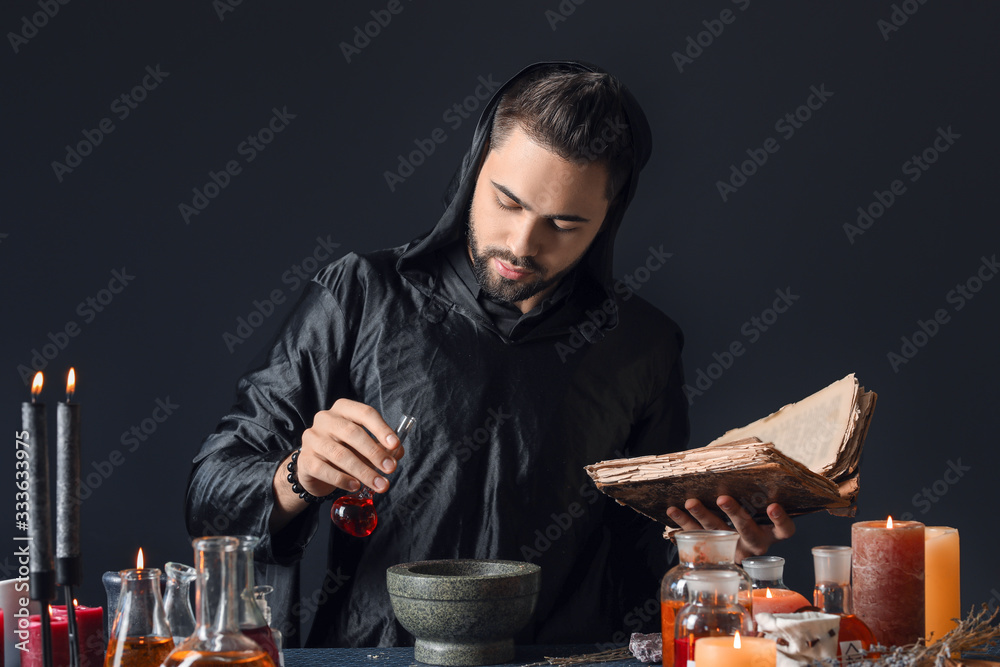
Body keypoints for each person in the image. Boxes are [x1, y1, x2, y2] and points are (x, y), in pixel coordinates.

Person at [185, 61, 795, 648]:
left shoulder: (643, 345)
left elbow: (644, 569)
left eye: (564, 223)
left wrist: (713, 561)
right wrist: (298, 474)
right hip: (375, 656)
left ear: (608, 219)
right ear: (476, 166)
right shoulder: (360, 296)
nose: (522, 245)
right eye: (508, 201)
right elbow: (209, 496)